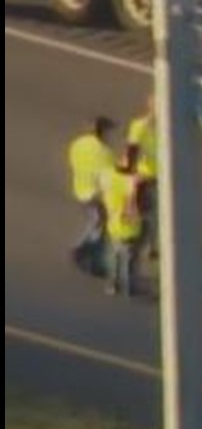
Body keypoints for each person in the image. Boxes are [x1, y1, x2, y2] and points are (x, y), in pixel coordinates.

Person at [67, 116, 116, 276]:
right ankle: (85, 254)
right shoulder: (105, 152)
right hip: (96, 194)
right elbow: (109, 177)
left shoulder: (77, 144)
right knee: (100, 228)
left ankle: (86, 254)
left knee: (96, 224)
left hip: (80, 189)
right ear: (102, 132)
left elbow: (73, 161)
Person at [101, 147, 145, 297]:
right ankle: (130, 288)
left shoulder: (108, 176)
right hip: (129, 227)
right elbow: (132, 207)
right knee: (129, 260)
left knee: (114, 256)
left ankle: (112, 285)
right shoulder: (131, 183)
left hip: (113, 223)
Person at [127, 95, 160, 262]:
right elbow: (132, 150)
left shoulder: (170, 127)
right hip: (146, 175)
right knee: (143, 213)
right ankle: (135, 244)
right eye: (156, 107)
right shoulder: (139, 126)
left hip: (164, 177)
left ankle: (151, 247)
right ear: (150, 107)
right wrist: (132, 174)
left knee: (155, 215)